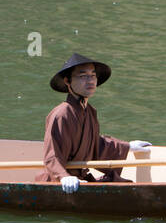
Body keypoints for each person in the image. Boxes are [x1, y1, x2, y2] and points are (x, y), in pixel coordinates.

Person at [36, 53, 151, 191]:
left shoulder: (89, 111)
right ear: (67, 81)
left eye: (93, 75)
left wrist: (127, 147)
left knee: (126, 185)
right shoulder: (62, 114)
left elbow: (95, 145)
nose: (90, 80)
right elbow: (52, 155)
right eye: (83, 76)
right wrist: (63, 176)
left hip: (80, 179)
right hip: (60, 183)